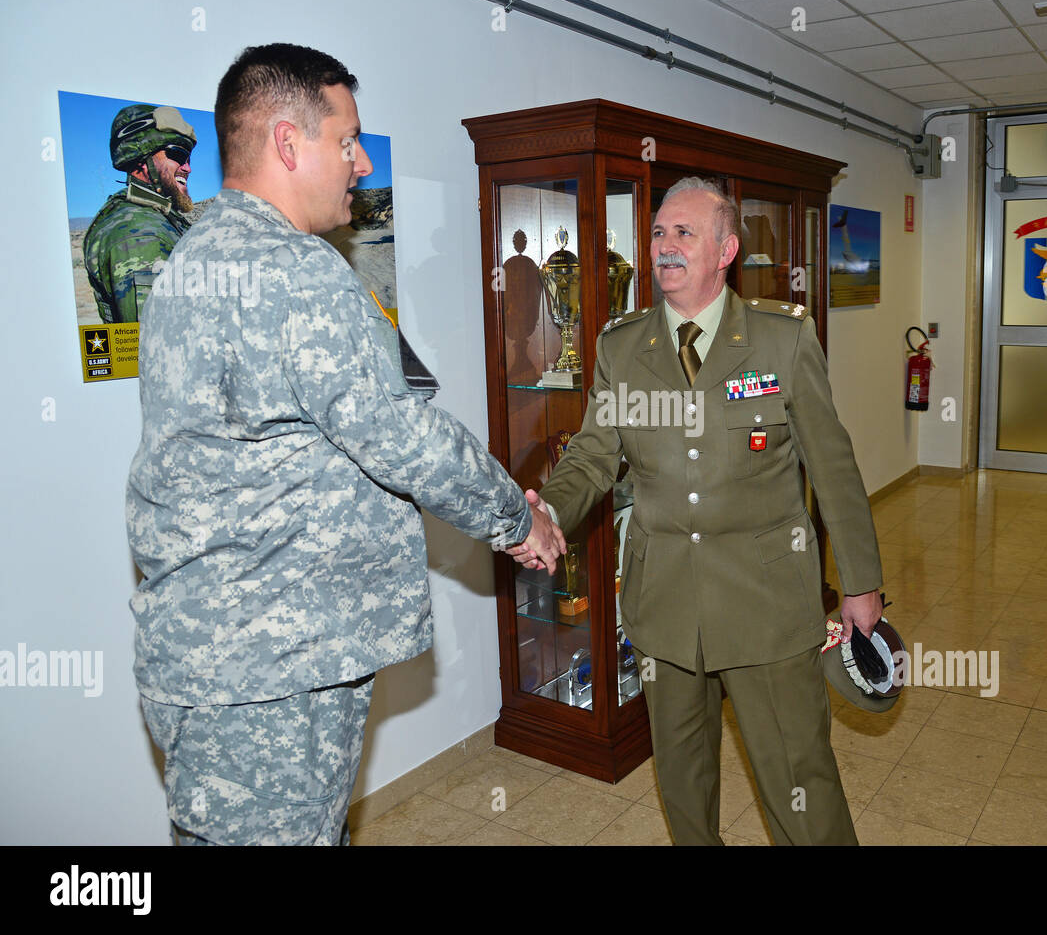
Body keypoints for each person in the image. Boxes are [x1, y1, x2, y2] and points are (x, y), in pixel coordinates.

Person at [126, 43, 565, 845]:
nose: (360, 163)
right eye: (347, 139)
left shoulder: (192, 261)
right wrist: (517, 519)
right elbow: (397, 432)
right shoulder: (295, 271)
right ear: (289, 143)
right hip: (272, 669)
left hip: (213, 659)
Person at [519, 177, 884, 845]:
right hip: (665, 603)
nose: (665, 246)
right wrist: (545, 517)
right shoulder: (622, 346)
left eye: (684, 232)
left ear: (725, 249)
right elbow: (595, 455)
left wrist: (860, 583)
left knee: (799, 780)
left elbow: (833, 469)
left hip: (766, 601)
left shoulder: (782, 342)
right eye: (658, 232)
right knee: (684, 787)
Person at [84, 104, 199, 323]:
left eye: (189, 159)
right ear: (142, 160)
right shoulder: (142, 234)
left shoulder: (158, 218)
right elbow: (159, 344)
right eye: (178, 154)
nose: (187, 168)